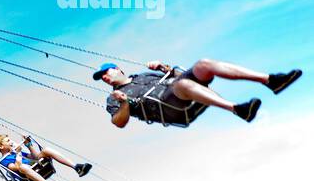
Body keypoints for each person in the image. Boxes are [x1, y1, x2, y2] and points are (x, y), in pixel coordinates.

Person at [95, 60, 301, 128]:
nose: (104, 76)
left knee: (204, 65)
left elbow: (176, 74)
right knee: (182, 85)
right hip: (167, 109)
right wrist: (124, 104)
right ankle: (237, 109)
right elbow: (118, 122)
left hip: (176, 90)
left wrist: (163, 67)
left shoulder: (142, 75)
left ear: (118, 69)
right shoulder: (113, 98)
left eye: (106, 72)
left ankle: (271, 80)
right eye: (101, 76)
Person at [0, 133, 90, 181]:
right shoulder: (4, 160)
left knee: (46, 150)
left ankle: (77, 167)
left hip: (39, 167)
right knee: (23, 166)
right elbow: (16, 167)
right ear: (1, 146)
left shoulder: (15, 152)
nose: (12, 141)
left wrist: (29, 146)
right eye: (8, 141)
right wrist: (18, 154)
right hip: (27, 176)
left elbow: (35, 157)